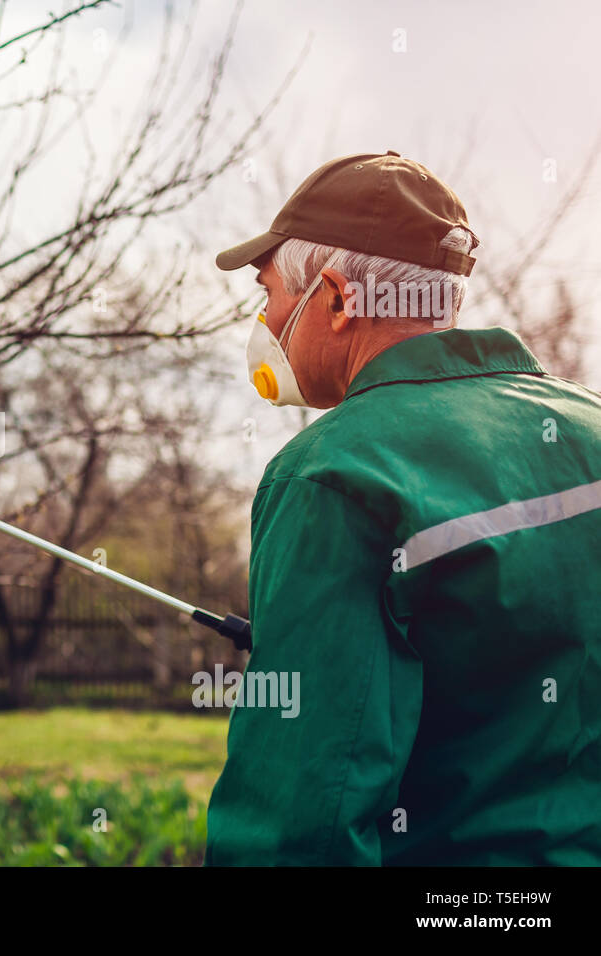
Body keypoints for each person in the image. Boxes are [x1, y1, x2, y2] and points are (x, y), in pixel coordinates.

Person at [205, 150, 601, 865]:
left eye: (264, 294)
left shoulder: (333, 475)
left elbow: (302, 826)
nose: (263, 321)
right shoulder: (591, 424)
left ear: (336, 296)